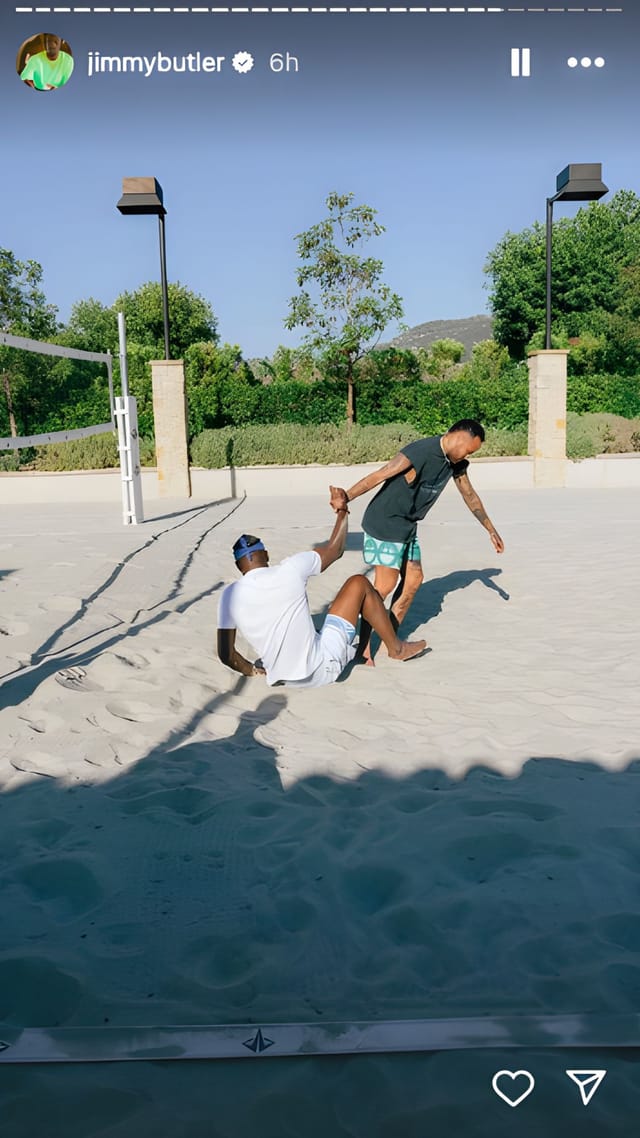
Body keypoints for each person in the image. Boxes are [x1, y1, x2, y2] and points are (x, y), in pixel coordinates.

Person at [217, 487, 426, 687]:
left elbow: (226, 655)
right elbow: (335, 550)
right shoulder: (289, 569)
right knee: (359, 583)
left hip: (282, 678)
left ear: (239, 566)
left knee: (311, 628)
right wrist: (342, 511)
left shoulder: (229, 596)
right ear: (266, 555)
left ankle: (362, 649)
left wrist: (252, 670)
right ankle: (397, 649)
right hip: (322, 669)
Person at [340, 419, 504, 662]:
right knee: (384, 586)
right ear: (458, 436)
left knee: (413, 580)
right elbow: (380, 474)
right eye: (469, 450)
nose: (467, 456)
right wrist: (346, 497)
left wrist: (490, 529)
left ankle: (391, 642)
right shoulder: (422, 451)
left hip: (407, 526)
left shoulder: (456, 464)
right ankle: (362, 649)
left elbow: (469, 495)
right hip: (385, 521)